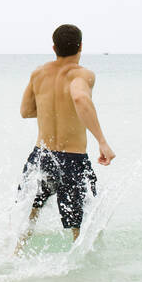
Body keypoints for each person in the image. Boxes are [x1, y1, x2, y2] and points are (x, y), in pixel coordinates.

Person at [16, 24, 116, 251]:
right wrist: (102, 142)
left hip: (41, 155)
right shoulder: (82, 74)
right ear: (81, 46)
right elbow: (80, 98)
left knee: (30, 213)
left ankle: (17, 253)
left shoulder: (38, 74)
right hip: (72, 160)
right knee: (80, 227)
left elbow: (25, 111)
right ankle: (82, 268)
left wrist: (53, 110)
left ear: (54, 47)